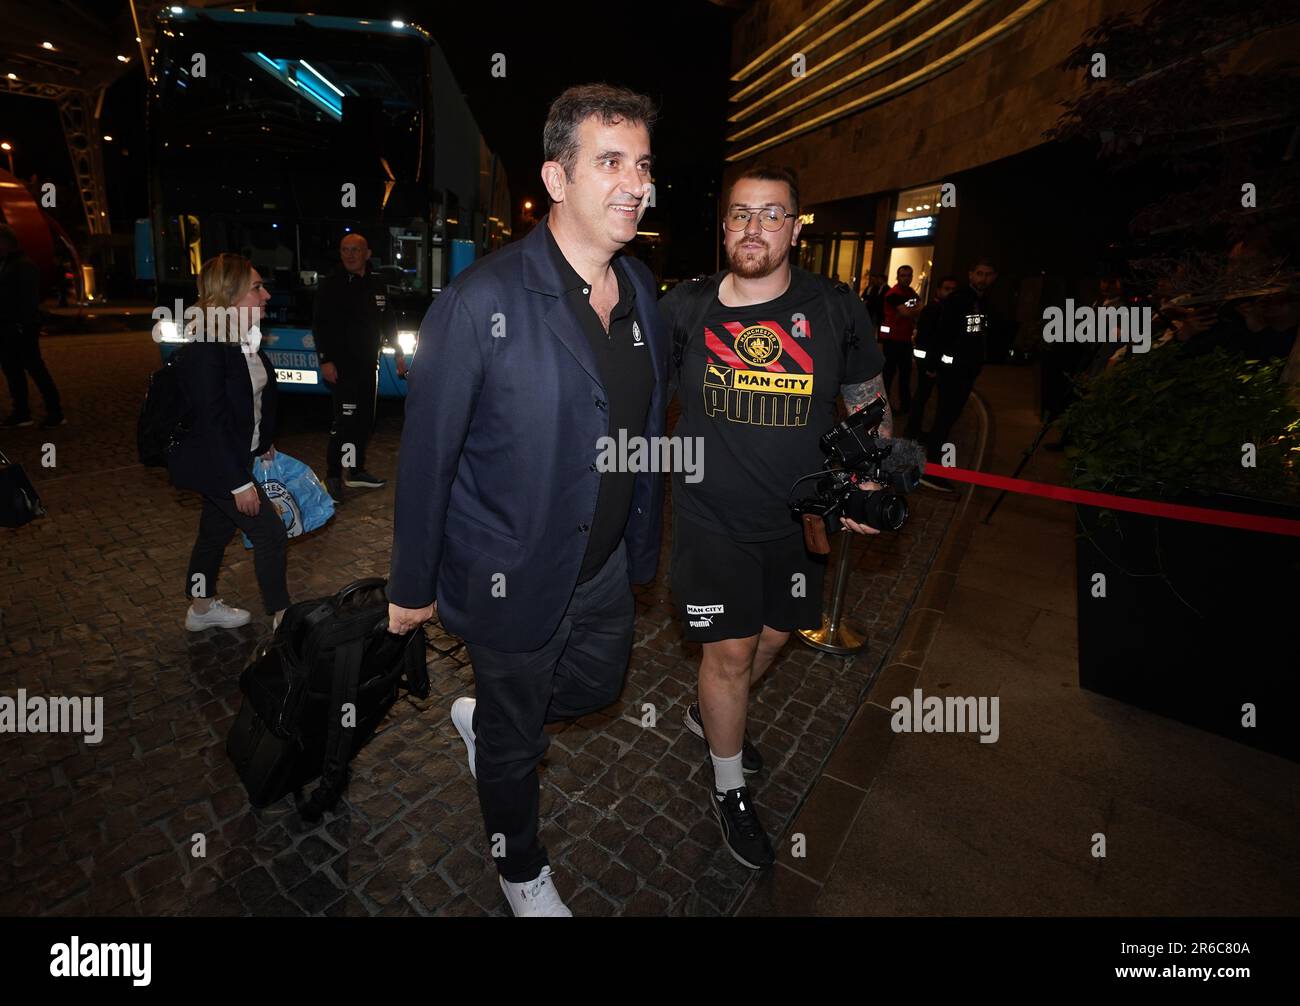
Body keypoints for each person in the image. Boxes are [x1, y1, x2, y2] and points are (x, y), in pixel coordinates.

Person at [386, 84, 664, 917]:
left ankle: (487, 716)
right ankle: (520, 870)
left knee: (597, 685)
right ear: (556, 177)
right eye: (609, 162)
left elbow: (647, 422)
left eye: (643, 164)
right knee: (514, 744)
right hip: (509, 570)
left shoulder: (643, 290)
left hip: (604, 562)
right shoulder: (479, 302)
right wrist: (411, 586)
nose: (634, 183)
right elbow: (427, 460)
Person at [659, 165, 887, 870]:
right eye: (739, 214)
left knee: (773, 639)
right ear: (724, 225)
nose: (753, 228)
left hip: (797, 521)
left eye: (771, 214)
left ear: (794, 228)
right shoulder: (685, 309)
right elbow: (629, 392)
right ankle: (729, 786)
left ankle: (709, 715)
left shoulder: (836, 309)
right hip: (708, 518)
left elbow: (869, 407)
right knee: (726, 655)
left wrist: (869, 484)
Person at [166, 253, 290, 632]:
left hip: (235, 455)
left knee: (215, 532)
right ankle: (284, 620)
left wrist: (261, 442)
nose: (266, 294)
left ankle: (201, 611)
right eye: (256, 288)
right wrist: (238, 482)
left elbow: (251, 400)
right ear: (230, 295)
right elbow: (211, 420)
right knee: (270, 532)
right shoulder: (208, 347)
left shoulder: (242, 339)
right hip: (217, 463)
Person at [312, 231, 404, 501]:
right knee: (344, 422)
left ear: (367, 254)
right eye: (345, 250)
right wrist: (325, 359)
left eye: (355, 250)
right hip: (342, 368)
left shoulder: (378, 284)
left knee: (365, 420)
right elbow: (320, 324)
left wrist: (398, 351)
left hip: (368, 366)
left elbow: (388, 320)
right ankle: (333, 476)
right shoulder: (332, 284)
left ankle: (355, 471)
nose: (349, 255)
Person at [914, 257, 997, 492]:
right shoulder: (960, 300)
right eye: (979, 273)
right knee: (944, 418)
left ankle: (934, 465)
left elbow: (977, 336)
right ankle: (932, 469)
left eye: (988, 274)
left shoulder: (981, 302)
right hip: (953, 371)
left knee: (948, 419)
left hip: (967, 370)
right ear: (971, 275)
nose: (983, 278)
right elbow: (943, 334)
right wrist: (933, 365)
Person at [0, 224, 63, 428]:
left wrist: (21, 323)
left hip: (21, 326)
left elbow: (27, 299)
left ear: (5, 242)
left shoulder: (22, 265)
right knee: (13, 369)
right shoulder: (8, 263)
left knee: (35, 368)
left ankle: (55, 412)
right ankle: (22, 412)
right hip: (10, 325)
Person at [905, 274, 958, 438]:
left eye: (953, 290)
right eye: (946, 289)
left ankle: (914, 430)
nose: (950, 293)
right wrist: (930, 366)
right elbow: (926, 339)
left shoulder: (946, 309)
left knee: (923, 396)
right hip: (928, 363)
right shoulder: (933, 309)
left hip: (933, 362)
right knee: (922, 397)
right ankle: (913, 430)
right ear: (938, 291)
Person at [879, 264, 922, 413]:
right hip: (892, 339)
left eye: (909, 275)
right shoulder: (893, 293)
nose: (906, 278)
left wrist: (913, 310)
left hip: (905, 339)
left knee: (905, 374)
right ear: (897, 277)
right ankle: (882, 405)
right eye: (903, 275)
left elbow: (919, 308)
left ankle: (905, 406)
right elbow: (908, 312)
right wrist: (914, 310)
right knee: (888, 374)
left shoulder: (911, 293)